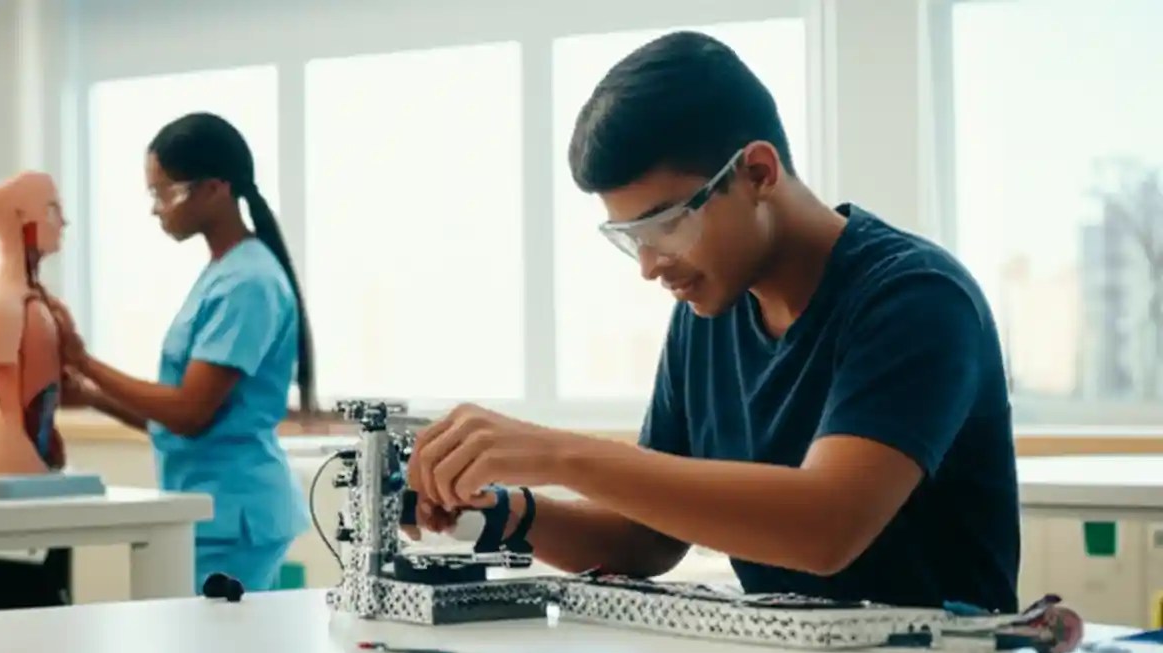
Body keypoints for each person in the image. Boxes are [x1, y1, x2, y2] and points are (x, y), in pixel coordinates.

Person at [405, 31, 1020, 612]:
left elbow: (825, 528)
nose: (650, 266)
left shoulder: (916, 297)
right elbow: (645, 540)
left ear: (757, 172)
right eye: (630, 238)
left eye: (666, 225)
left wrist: (557, 453)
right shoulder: (708, 311)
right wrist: (504, 513)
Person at [51, 112, 316, 594]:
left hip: (232, 517)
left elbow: (191, 412)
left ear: (216, 188)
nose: (157, 208)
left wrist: (85, 361)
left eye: (165, 192)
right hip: (210, 510)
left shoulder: (247, 283)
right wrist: (93, 397)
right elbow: (180, 420)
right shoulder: (224, 272)